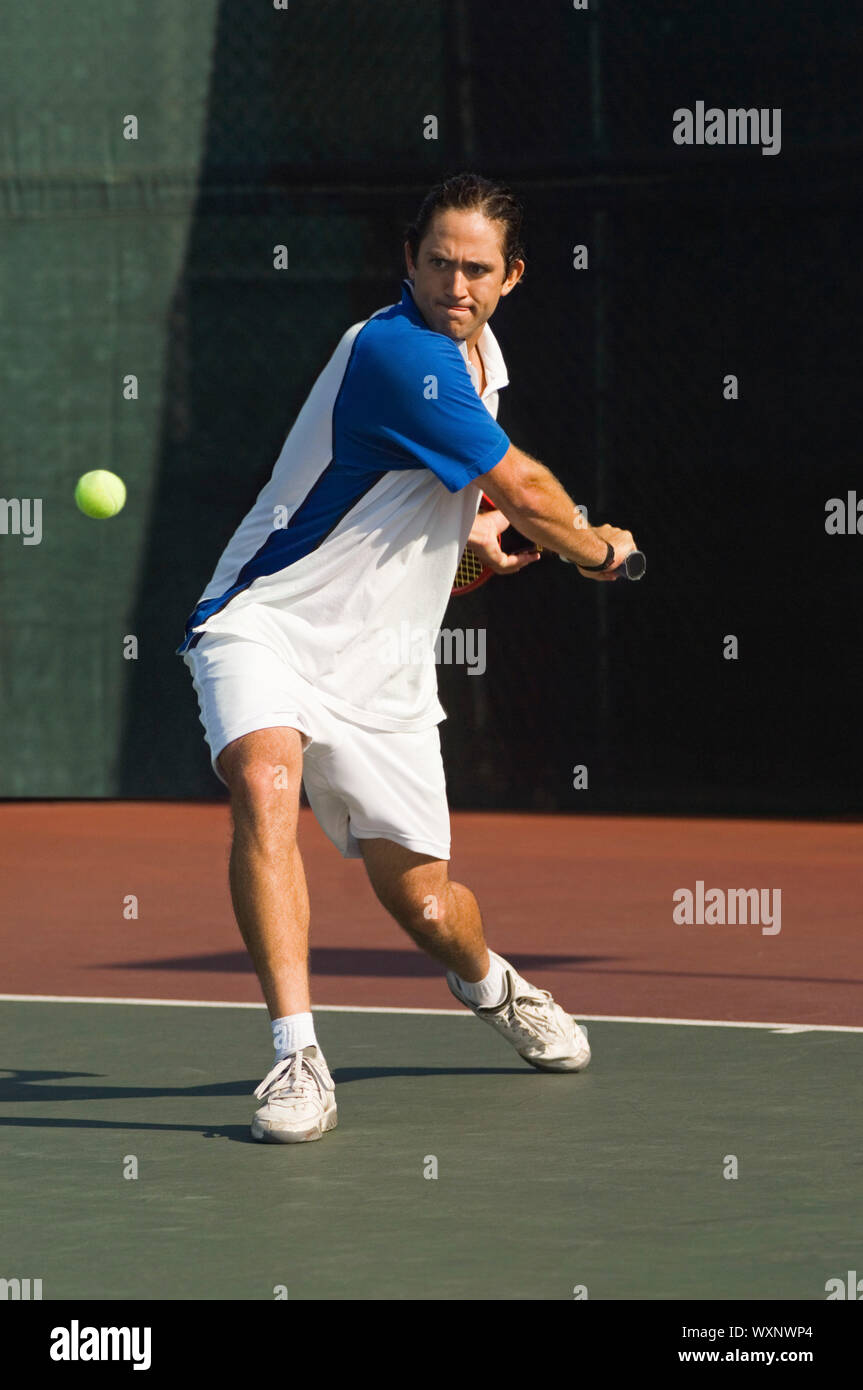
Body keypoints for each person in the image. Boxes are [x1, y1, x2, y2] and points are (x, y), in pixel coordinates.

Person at [177, 172, 637, 1144]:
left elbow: (415, 540)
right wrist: (600, 550)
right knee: (265, 778)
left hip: (382, 672)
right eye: (437, 263)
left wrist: (466, 560)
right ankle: (295, 1055)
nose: (454, 285)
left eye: (475, 269)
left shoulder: (483, 370)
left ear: (509, 276)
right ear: (408, 262)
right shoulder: (395, 350)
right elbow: (523, 486)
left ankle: (491, 985)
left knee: (427, 906)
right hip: (262, 623)